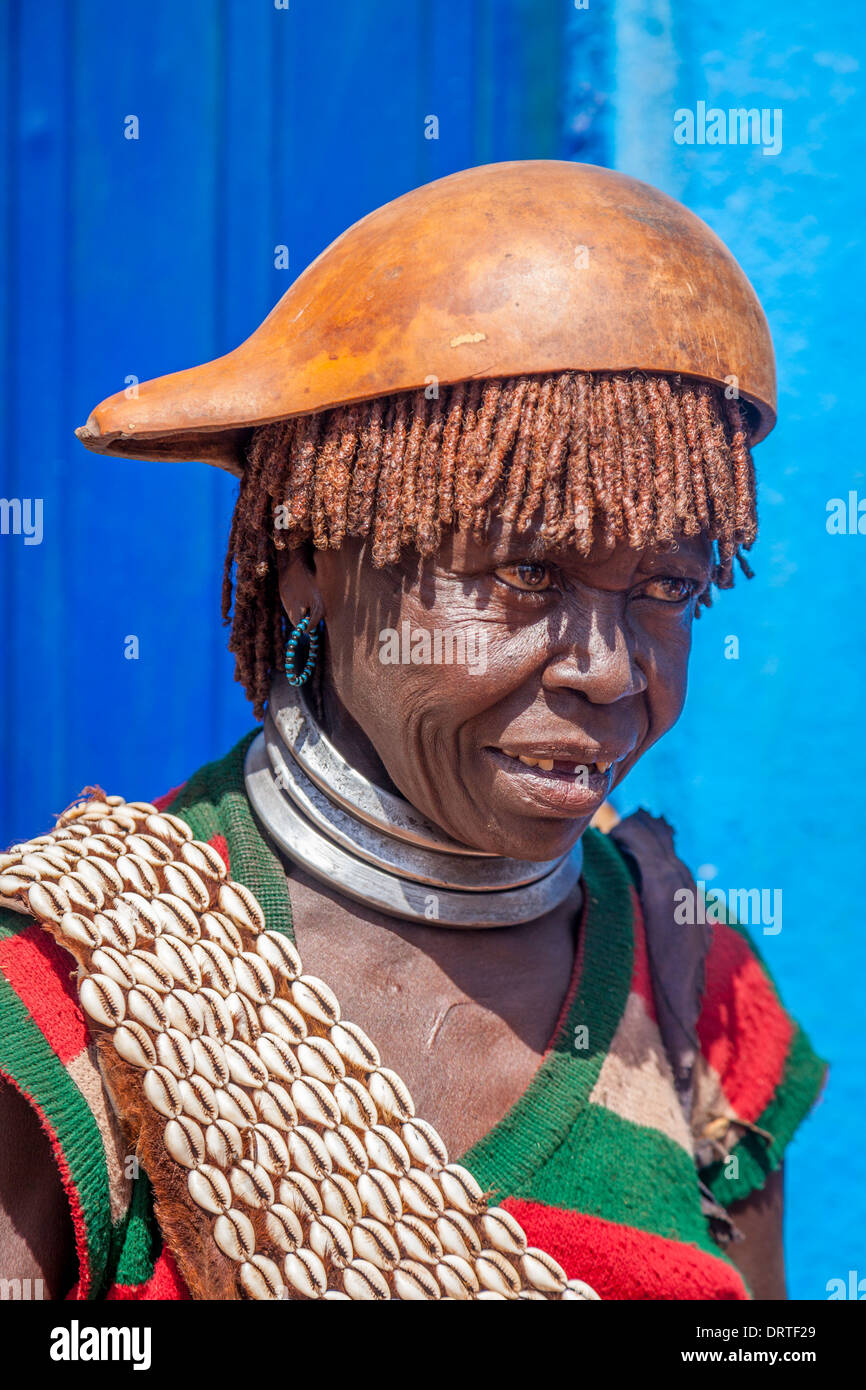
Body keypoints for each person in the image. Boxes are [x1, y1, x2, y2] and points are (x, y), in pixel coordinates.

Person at [0, 161, 826, 1301]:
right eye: (524, 572)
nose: (604, 668)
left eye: (666, 588)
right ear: (307, 566)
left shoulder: (692, 978)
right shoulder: (75, 988)